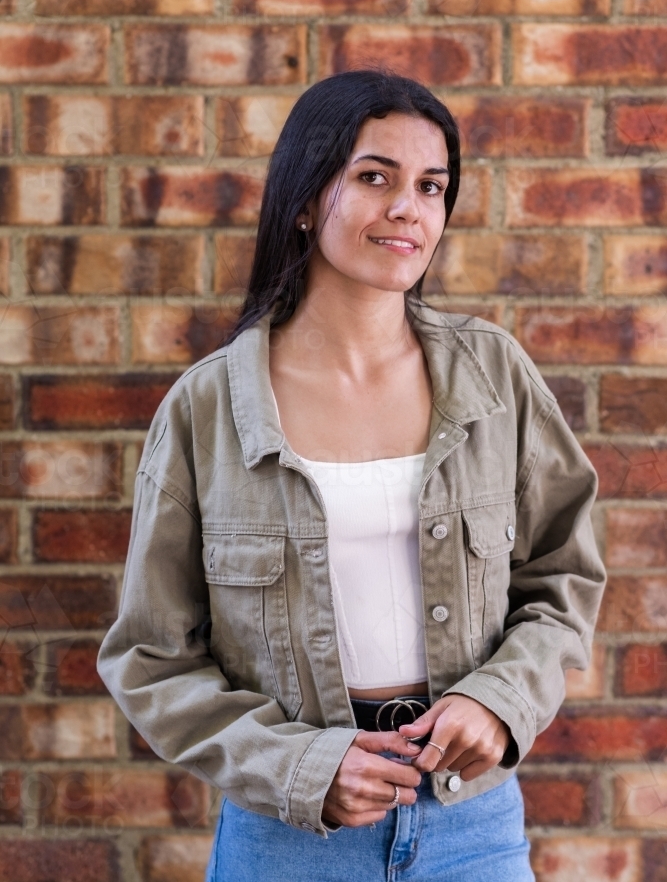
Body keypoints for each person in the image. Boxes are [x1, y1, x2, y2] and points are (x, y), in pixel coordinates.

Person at [97, 69, 606, 882]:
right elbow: (150, 657)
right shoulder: (208, 409)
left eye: (430, 185)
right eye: (374, 177)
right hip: (288, 839)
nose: (408, 206)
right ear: (304, 198)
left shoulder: (494, 377)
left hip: (470, 826)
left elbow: (562, 578)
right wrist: (303, 770)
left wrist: (498, 700)